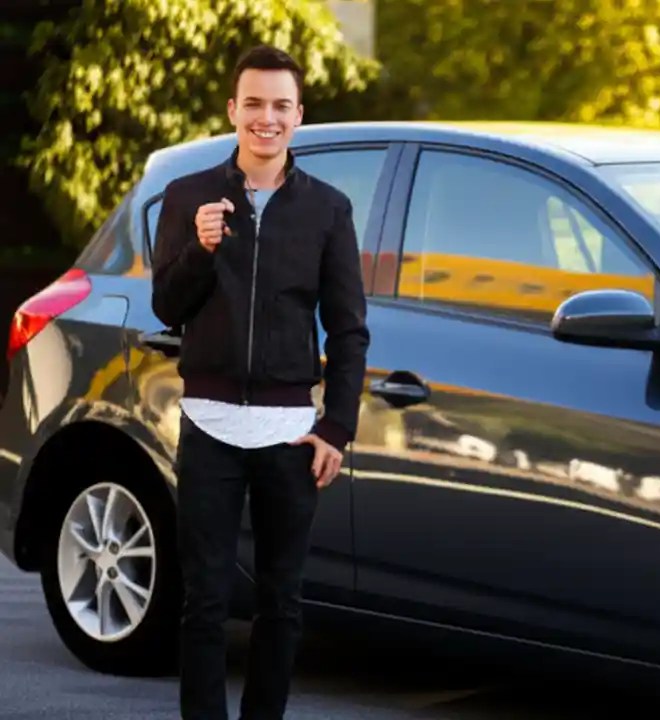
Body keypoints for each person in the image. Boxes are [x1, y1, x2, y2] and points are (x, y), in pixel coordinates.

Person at [150, 44, 369, 720]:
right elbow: (167, 305)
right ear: (232, 111)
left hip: (289, 437)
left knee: (281, 600)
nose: (265, 118)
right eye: (253, 104)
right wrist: (200, 249)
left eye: (280, 105)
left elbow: (349, 328)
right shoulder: (190, 198)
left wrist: (336, 426)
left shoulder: (328, 211)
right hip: (210, 426)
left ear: (298, 116)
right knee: (205, 600)